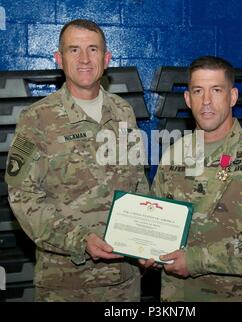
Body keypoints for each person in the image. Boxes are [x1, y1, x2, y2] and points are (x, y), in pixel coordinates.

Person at [5, 19, 148, 302]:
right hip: (66, 283)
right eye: (74, 50)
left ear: (106, 59)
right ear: (59, 59)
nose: (84, 59)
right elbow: (22, 196)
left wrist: (149, 238)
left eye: (93, 49)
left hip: (124, 281)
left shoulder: (123, 111)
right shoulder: (36, 119)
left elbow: (138, 181)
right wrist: (79, 241)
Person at [147, 56, 242, 301]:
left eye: (216, 90)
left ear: (232, 96)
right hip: (178, 297)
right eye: (197, 91)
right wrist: (145, 249)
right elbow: (155, 216)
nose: (206, 101)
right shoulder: (174, 156)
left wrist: (195, 260)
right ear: (187, 99)